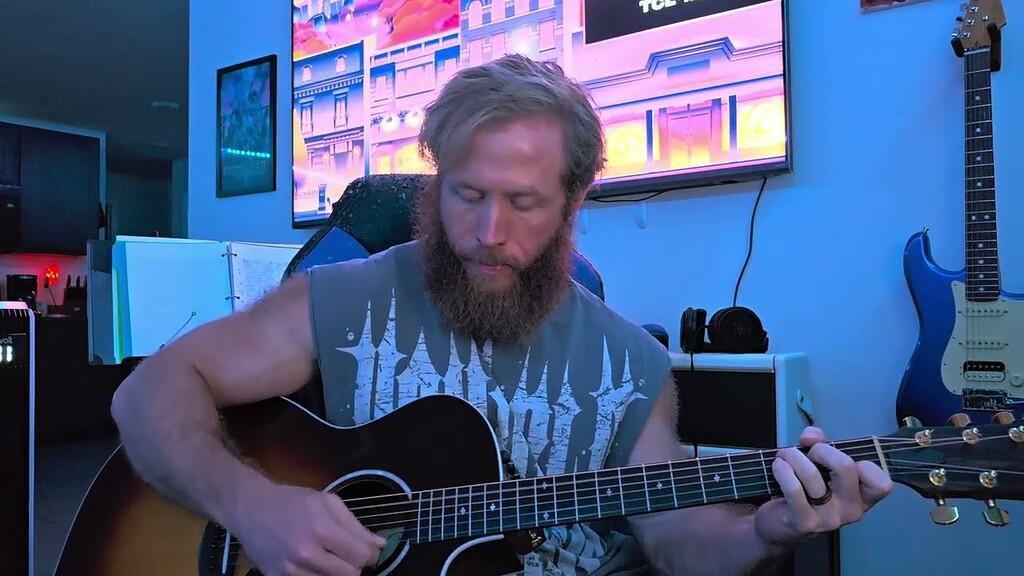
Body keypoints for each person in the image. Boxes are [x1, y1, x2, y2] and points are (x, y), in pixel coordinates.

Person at [111, 54, 892, 576]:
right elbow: (147, 394)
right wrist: (254, 505)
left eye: (523, 202)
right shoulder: (346, 298)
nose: (489, 232)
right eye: (467, 194)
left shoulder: (631, 365)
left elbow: (678, 540)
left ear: (573, 203)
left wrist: (764, 530)